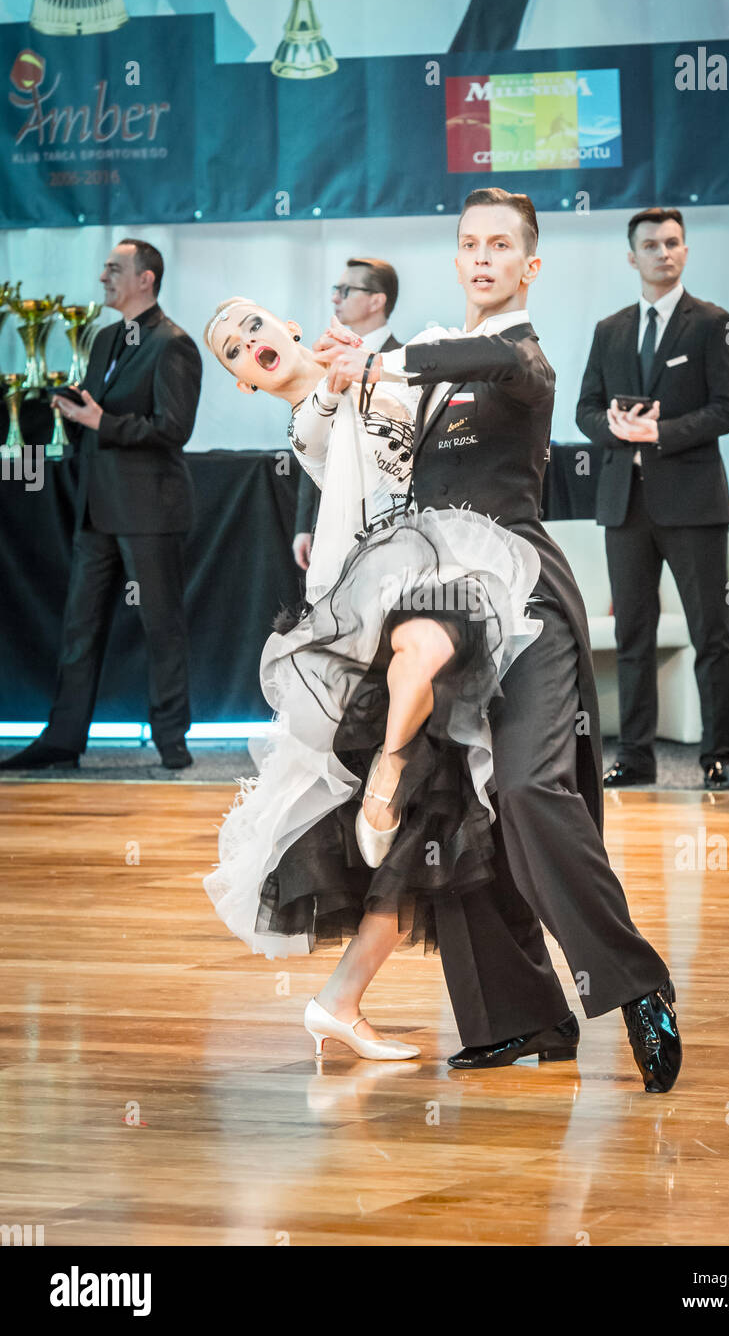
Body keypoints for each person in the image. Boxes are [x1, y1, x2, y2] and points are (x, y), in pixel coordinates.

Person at [316, 187, 682, 1092]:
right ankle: (519, 1020)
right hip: (438, 600)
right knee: (452, 815)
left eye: (499, 246)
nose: (481, 257)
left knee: (525, 789)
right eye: (468, 243)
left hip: (522, 602)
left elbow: (463, 352)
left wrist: (375, 357)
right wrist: (315, 378)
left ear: (530, 264)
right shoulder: (427, 375)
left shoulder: (523, 358)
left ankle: (635, 983)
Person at [201, 297, 543, 1062]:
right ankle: (384, 783)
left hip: (440, 576)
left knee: (440, 814)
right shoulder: (307, 418)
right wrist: (344, 371)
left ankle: (341, 998)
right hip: (374, 608)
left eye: (254, 324)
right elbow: (322, 418)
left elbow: (440, 391)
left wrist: (376, 360)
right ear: (242, 384)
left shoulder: (375, 372)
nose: (249, 342)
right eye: (232, 349)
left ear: (289, 325)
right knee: (421, 783)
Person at [0, 239, 201, 773]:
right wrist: (69, 407)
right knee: (78, 627)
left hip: (149, 510)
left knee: (162, 627)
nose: (103, 278)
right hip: (97, 507)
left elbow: (173, 429)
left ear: (146, 279)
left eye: (115, 269)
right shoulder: (106, 337)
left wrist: (101, 423)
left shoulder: (174, 344)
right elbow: (99, 409)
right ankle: (63, 738)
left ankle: (172, 743)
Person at [576, 207, 729, 791]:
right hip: (625, 503)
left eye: (673, 243)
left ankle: (717, 755)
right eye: (651, 245)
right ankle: (637, 756)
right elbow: (585, 410)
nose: (663, 253)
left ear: (686, 251)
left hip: (694, 504)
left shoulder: (712, 323)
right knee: (632, 638)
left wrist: (660, 431)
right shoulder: (611, 329)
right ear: (633, 257)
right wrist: (615, 427)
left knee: (710, 635)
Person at [293, 257, 401, 574]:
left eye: (346, 289)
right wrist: (305, 525)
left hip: (387, 519)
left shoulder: (399, 362)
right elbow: (312, 443)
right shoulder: (327, 360)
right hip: (330, 520)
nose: (335, 298)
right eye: (335, 288)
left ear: (376, 301)